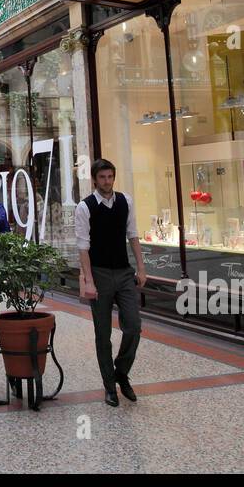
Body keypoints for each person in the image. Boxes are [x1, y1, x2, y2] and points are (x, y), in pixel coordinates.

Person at [76, 158, 147, 408]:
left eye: (110, 177)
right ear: (94, 179)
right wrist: (89, 281)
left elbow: (133, 235)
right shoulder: (85, 208)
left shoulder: (125, 201)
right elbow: (83, 247)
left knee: (134, 327)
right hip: (100, 274)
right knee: (102, 334)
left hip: (124, 273)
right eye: (102, 177)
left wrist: (141, 267)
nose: (107, 181)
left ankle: (121, 372)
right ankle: (109, 386)